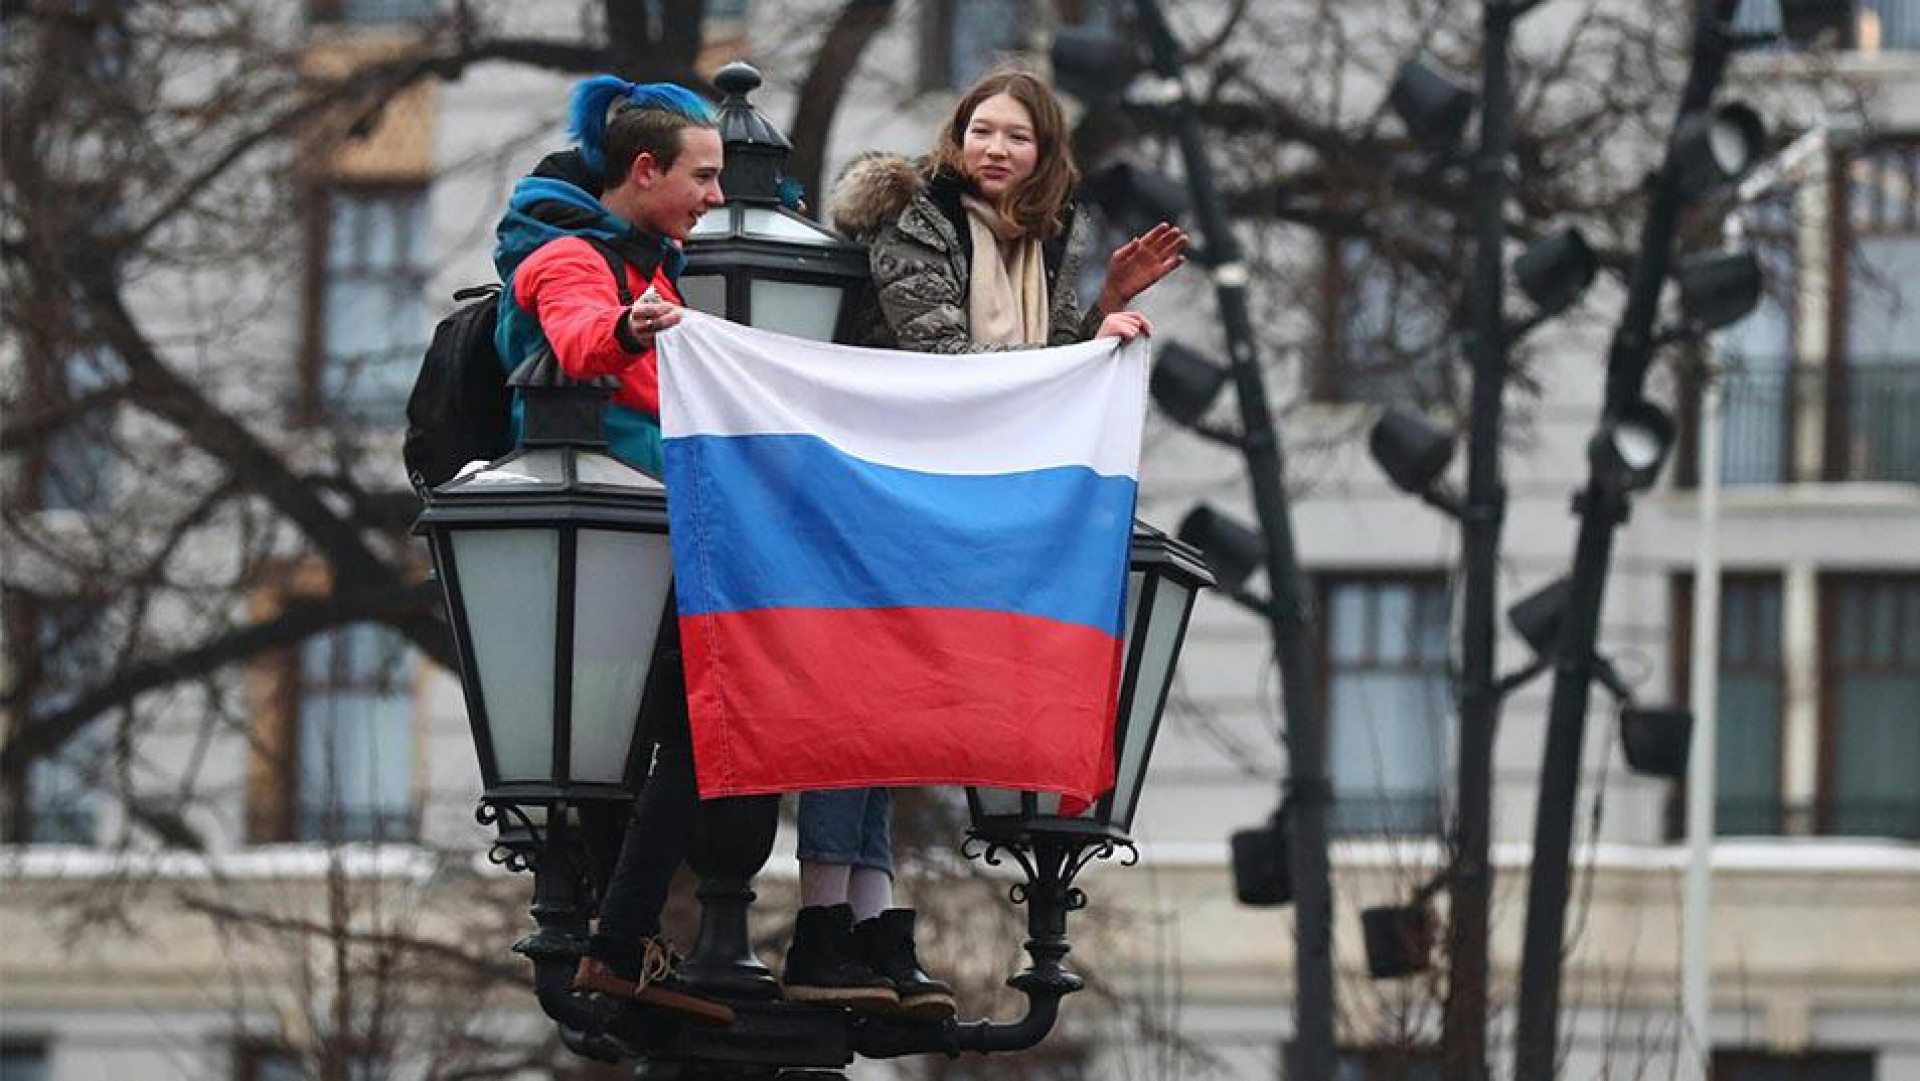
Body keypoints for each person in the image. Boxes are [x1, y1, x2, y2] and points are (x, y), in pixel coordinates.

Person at [802, 65, 1189, 1020]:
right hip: (882, 480)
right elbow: (941, 361)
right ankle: (824, 925)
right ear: (956, 138)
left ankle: (870, 921)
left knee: (885, 723)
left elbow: (1042, 374)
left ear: (1043, 153)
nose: (995, 149)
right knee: (854, 716)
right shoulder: (915, 220)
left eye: (1016, 136)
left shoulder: (1045, 240)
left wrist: (1103, 309)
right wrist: (1081, 355)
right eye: (981, 130)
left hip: (960, 496)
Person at [491, 74, 727, 1024]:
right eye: (704, 178)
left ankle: (616, 941)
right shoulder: (571, 259)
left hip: (639, 536)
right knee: (698, 729)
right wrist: (629, 326)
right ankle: (617, 942)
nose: (716, 197)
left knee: (662, 737)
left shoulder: (648, 260)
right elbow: (584, 339)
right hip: (612, 543)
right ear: (644, 169)